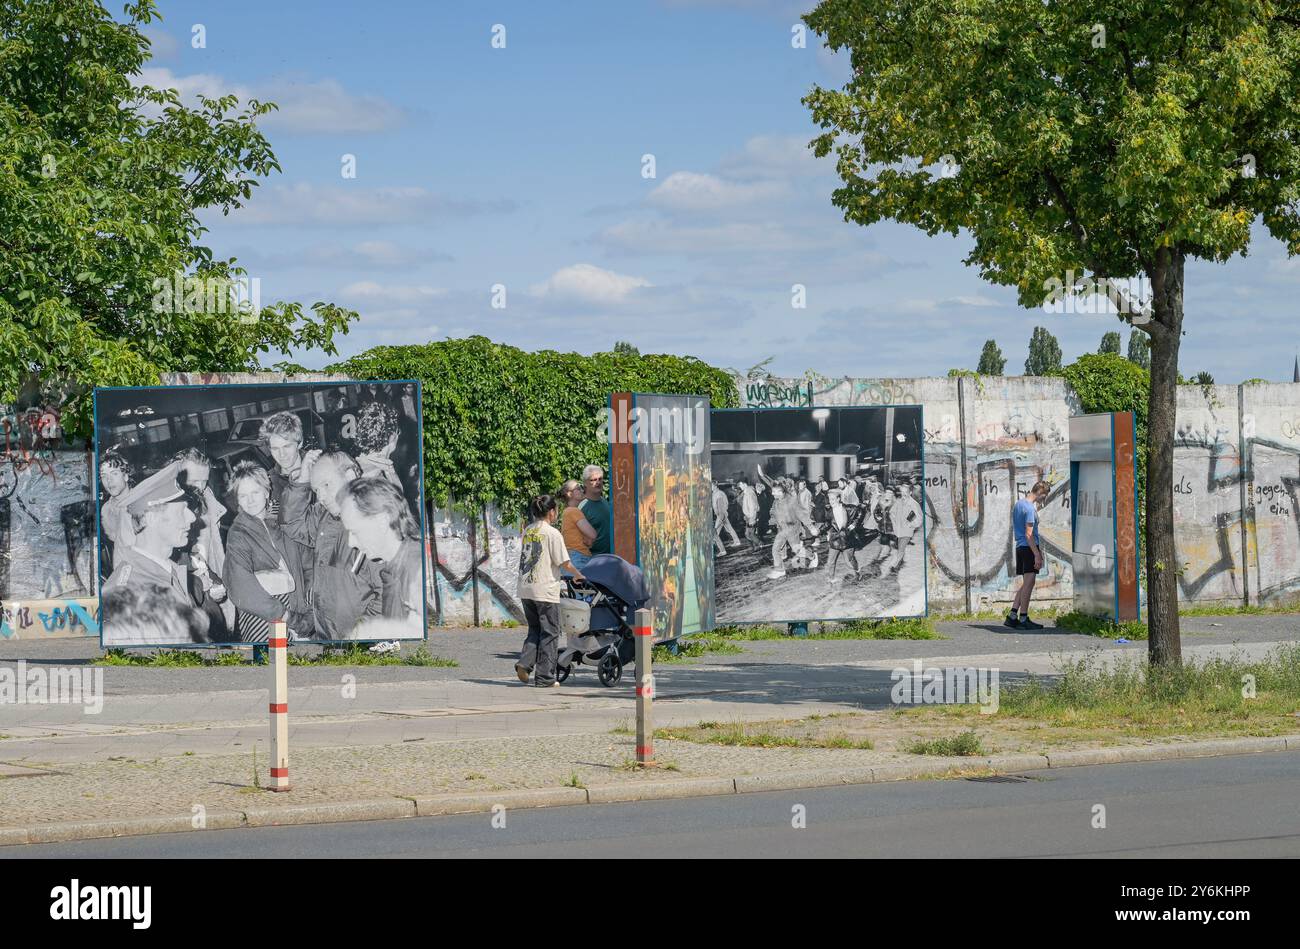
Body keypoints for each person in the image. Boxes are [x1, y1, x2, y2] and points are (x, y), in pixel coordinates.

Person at [279, 450, 384, 640]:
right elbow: (291, 523)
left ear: (350, 475)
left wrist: (358, 636)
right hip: (327, 636)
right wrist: (302, 480)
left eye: (326, 485)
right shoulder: (325, 517)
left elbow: (388, 594)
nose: (321, 497)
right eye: (316, 490)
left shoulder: (376, 519)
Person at [102, 462, 210, 642]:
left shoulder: (166, 568)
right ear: (151, 518)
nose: (192, 517)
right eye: (182, 510)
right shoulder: (128, 592)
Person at [222, 461, 310, 643]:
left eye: (255, 492)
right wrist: (289, 618)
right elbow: (242, 588)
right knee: (273, 667)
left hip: (298, 612)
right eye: (243, 495)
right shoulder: (238, 533)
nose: (251, 500)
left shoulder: (282, 523)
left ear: (266, 491)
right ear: (237, 500)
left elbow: (305, 566)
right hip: (263, 618)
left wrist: (307, 611)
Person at [338, 476, 425, 637]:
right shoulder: (394, 566)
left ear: (382, 520)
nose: (351, 543)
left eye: (355, 532)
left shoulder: (416, 569)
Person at [514, 494, 583, 687]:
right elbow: (564, 562)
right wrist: (578, 575)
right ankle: (545, 677)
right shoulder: (552, 534)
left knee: (535, 628)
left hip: (526, 588)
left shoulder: (528, 530)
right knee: (550, 632)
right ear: (552, 512)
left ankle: (525, 663)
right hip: (545, 589)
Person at [1007, 480, 1050, 629]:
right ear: (1040, 492)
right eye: (1044, 496)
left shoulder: (1019, 504)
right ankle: (1023, 618)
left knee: (1026, 584)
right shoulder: (1030, 509)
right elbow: (1029, 534)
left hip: (1021, 548)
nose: (1043, 499)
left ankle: (1013, 616)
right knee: (1029, 584)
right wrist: (1037, 554)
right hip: (1028, 548)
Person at [767, 478, 819, 580]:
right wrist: (772, 518)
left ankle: (812, 556)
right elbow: (773, 511)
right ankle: (780, 570)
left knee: (797, 551)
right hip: (782, 529)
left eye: (776, 492)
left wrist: (811, 527)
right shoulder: (776, 501)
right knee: (775, 549)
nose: (773, 494)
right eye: (773, 491)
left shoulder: (792, 501)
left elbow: (802, 515)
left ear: (783, 491)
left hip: (792, 529)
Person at [98, 450, 134, 567]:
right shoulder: (105, 510)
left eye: (114, 473)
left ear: (126, 476)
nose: (109, 480)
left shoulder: (141, 501)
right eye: (104, 476)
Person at [558, 478, 597, 572]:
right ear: (569, 494)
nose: (582, 490)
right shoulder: (574, 511)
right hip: (578, 558)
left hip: (572, 557)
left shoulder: (567, 511)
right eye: (578, 488)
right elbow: (593, 534)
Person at [578, 464, 612, 555]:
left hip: (610, 557)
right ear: (585, 483)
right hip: (593, 560)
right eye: (593, 480)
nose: (598, 482)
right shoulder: (582, 507)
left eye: (600, 479)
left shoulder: (605, 502)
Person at [712, 481, 740, 556]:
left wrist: (721, 516)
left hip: (721, 514)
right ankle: (737, 541)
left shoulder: (718, 494)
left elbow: (720, 506)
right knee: (729, 528)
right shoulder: (717, 493)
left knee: (715, 532)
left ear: (715, 486)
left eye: (711, 486)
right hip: (723, 514)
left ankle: (721, 549)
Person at [736, 476, 761, 549]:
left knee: (750, 534)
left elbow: (753, 507)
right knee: (748, 534)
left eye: (740, 485)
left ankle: (760, 544)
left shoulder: (749, 492)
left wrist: (752, 518)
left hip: (752, 516)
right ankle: (756, 546)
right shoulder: (746, 492)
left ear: (744, 484)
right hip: (749, 516)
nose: (739, 487)